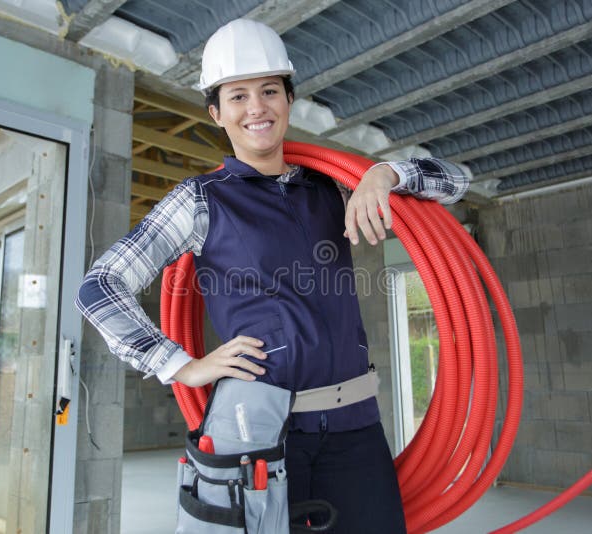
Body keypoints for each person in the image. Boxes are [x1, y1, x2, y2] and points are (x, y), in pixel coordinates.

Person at [76, 18, 468, 533]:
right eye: (237, 96)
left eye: (268, 91)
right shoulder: (200, 202)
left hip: (355, 429)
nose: (256, 108)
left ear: (287, 100)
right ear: (217, 113)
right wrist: (181, 364)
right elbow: (98, 285)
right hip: (256, 434)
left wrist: (386, 174)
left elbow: (457, 181)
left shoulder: (334, 188)